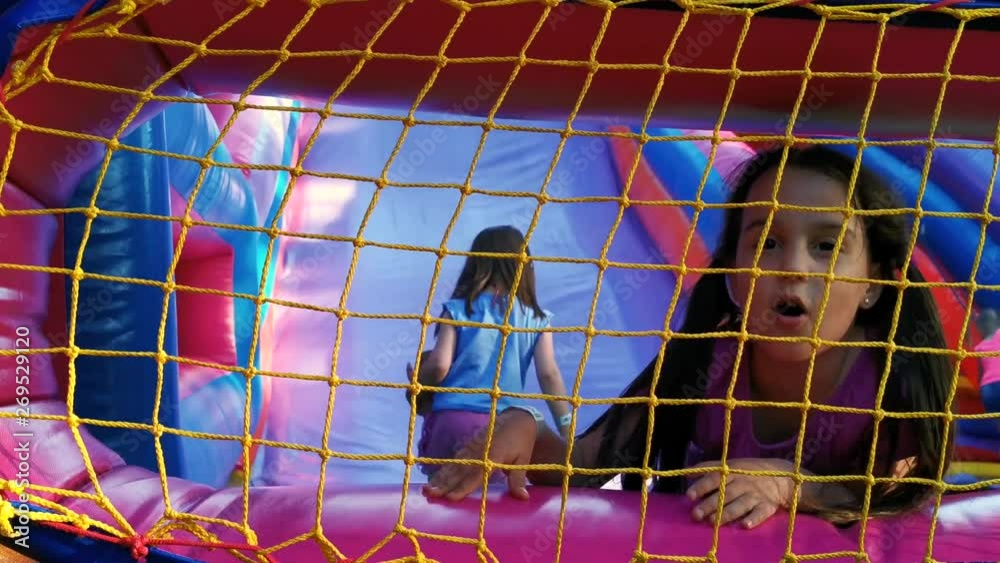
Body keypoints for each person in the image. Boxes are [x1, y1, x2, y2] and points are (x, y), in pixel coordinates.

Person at [423, 145, 955, 530]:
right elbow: (587, 463)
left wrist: (791, 485)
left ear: (874, 285)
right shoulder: (705, 364)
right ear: (733, 278)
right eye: (767, 242)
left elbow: (899, 500)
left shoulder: (886, 381)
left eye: (826, 246)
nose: (793, 267)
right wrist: (526, 431)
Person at [408, 225, 573, 483]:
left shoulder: (458, 309)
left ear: (475, 265)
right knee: (488, 495)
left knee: (443, 488)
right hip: (499, 428)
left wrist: (418, 383)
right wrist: (566, 427)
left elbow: (440, 365)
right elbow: (549, 374)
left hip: (450, 419)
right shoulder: (536, 318)